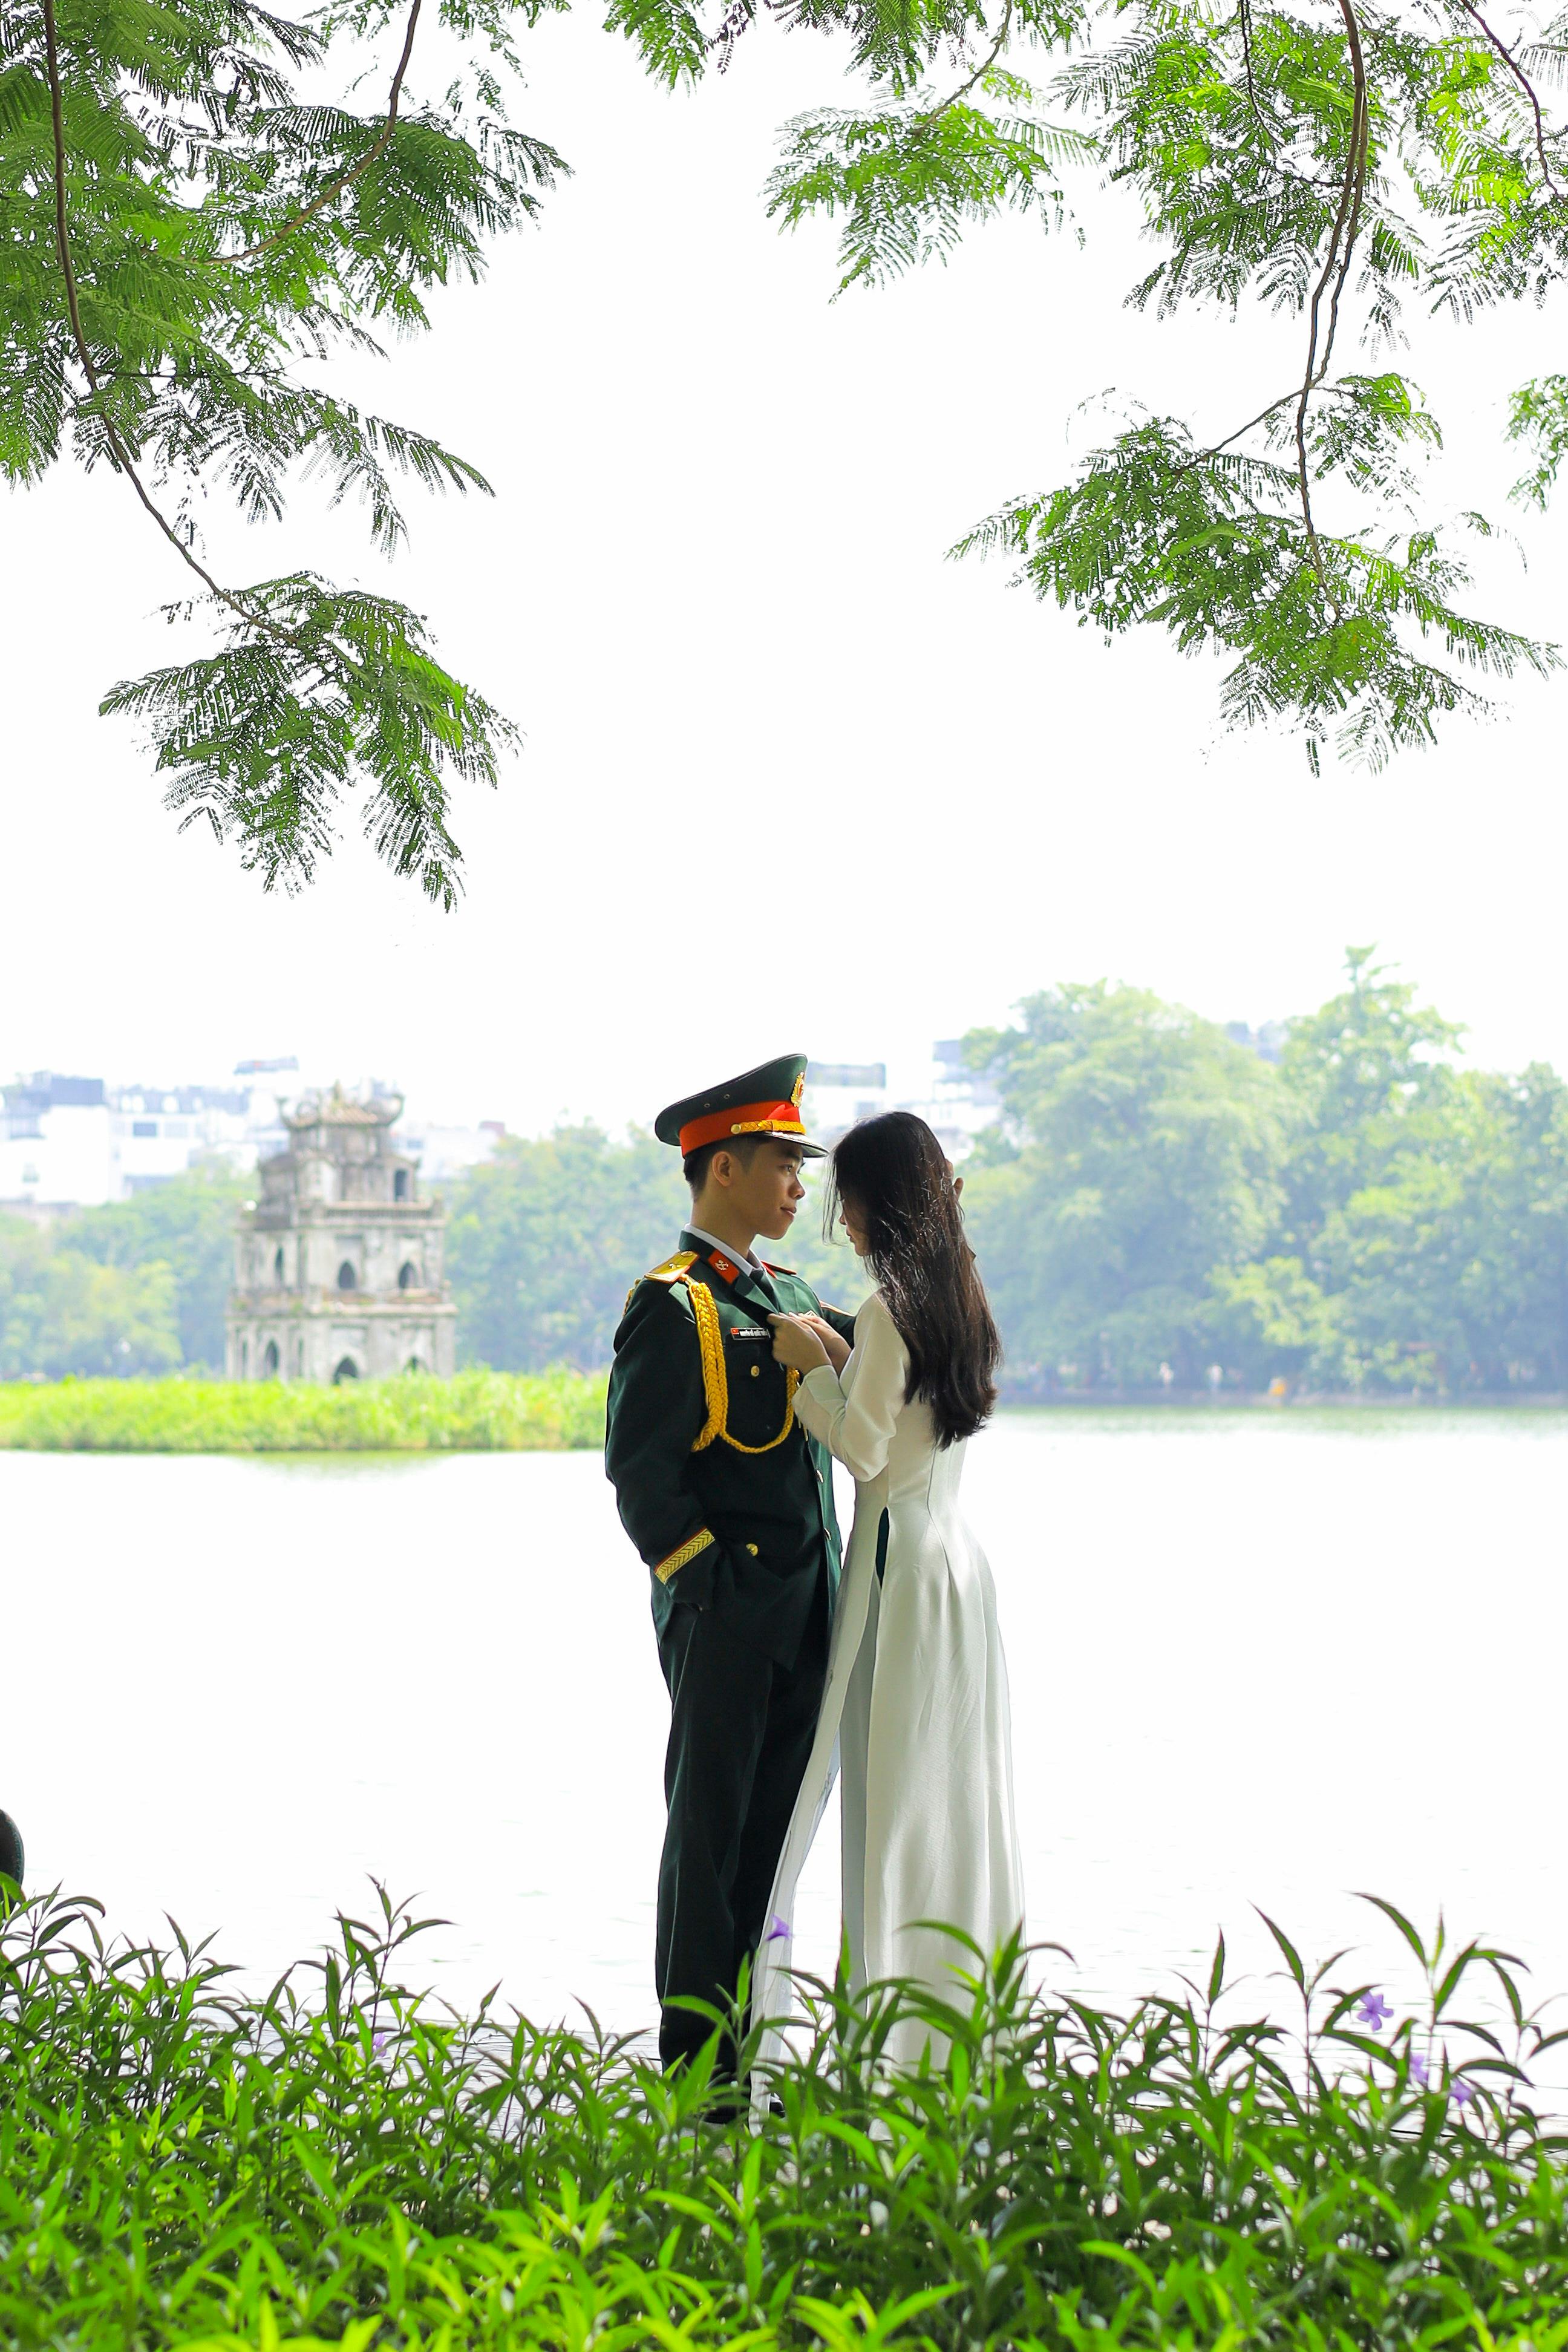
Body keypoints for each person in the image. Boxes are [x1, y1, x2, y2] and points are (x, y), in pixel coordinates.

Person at [604, 1053, 856, 2100]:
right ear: (723, 1173)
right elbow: (641, 1475)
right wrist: (707, 1591)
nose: (800, 1186)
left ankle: (752, 2067)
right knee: (708, 1850)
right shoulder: (672, 1305)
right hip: (729, 1614)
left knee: (772, 1845)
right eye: (783, 1164)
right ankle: (697, 2087)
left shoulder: (790, 1293)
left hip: (812, 1618)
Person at [760, 1110, 1024, 2069]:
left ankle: (884, 2051)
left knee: (888, 1809)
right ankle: (965, 2031)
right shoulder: (960, 1295)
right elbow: (907, 1419)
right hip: (959, 1567)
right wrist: (840, 1364)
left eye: (848, 1201)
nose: (843, 1220)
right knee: (956, 1802)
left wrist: (802, 1377)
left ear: (873, 1201)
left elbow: (865, 1449)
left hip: (897, 1570)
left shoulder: (882, 1308)